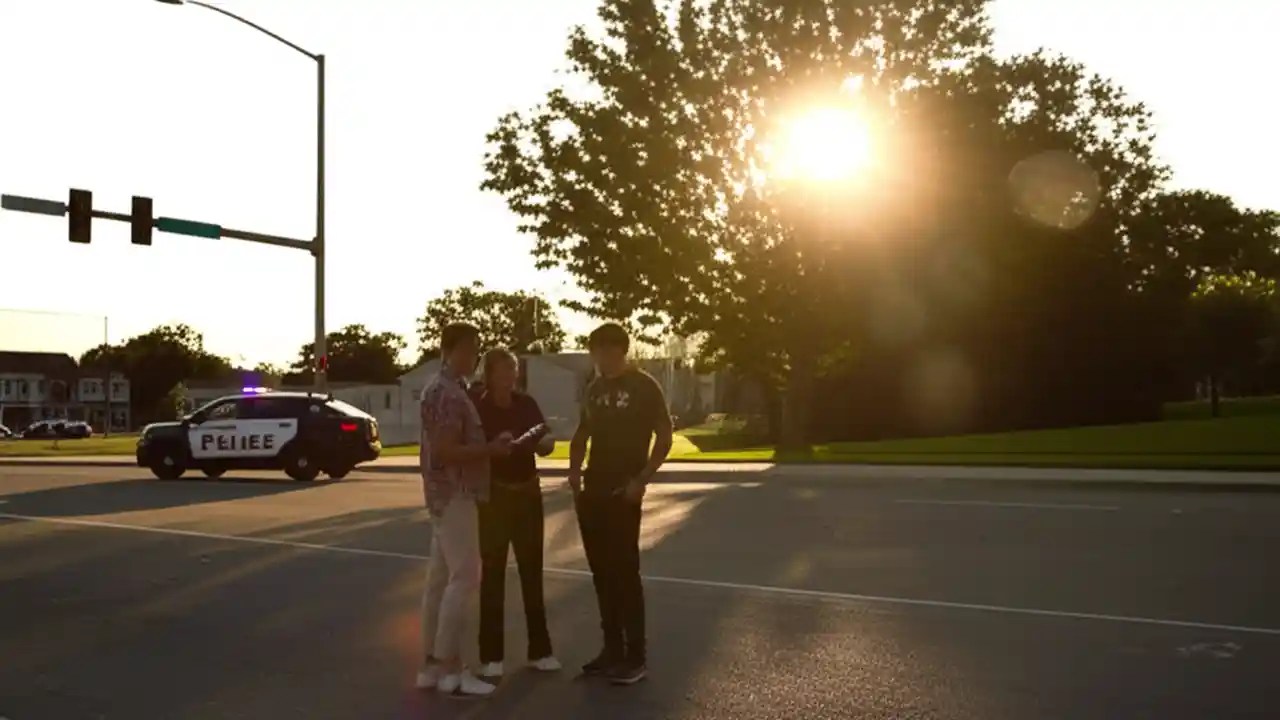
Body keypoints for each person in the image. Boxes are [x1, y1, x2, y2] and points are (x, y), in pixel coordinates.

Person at [569, 322, 673, 685]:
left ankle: (635, 656)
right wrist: (574, 471)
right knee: (601, 574)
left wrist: (641, 478)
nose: (599, 358)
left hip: (623, 492)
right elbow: (582, 433)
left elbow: (664, 435)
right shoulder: (594, 389)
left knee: (625, 574)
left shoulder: (644, 386)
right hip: (593, 491)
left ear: (620, 350)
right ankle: (610, 649)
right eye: (594, 351)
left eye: (605, 351)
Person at [416, 323, 513, 698]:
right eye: (469, 350)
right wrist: (490, 449)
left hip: (443, 495)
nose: (474, 357)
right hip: (455, 494)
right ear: (450, 349)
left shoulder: (441, 388)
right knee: (466, 578)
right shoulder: (448, 394)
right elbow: (445, 451)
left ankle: (431, 666)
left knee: (440, 581)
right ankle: (452, 667)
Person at [471, 348, 560, 679]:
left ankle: (541, 651)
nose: (509, 376)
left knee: (532, 573)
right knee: (492, 577)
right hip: (494, 499)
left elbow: (545, 438)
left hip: (528, 495)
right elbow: (472, 448)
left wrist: (544, 444)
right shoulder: (478, 407)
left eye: (513, 370)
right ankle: (491, 656)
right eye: (503, 370)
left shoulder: (526, 403)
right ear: (489, 374)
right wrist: (494, 446)